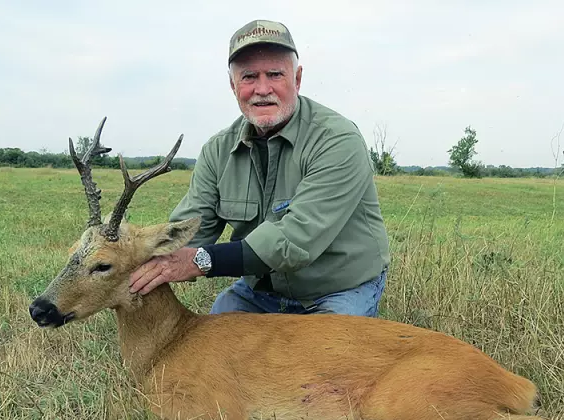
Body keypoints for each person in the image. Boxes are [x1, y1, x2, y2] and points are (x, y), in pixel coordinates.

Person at [129, 19, 391, 317]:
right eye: (249, 77)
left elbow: (294, 241)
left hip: (338, 287)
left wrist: (200, 260)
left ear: (298, 78)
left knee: (320, 362)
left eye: (275, 74)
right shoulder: (217, 151)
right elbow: (189, 231)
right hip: (262, 293)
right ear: (233, 85)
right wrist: (130, 255)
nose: (262, 89)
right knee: (212, 348)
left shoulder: (337, 140)